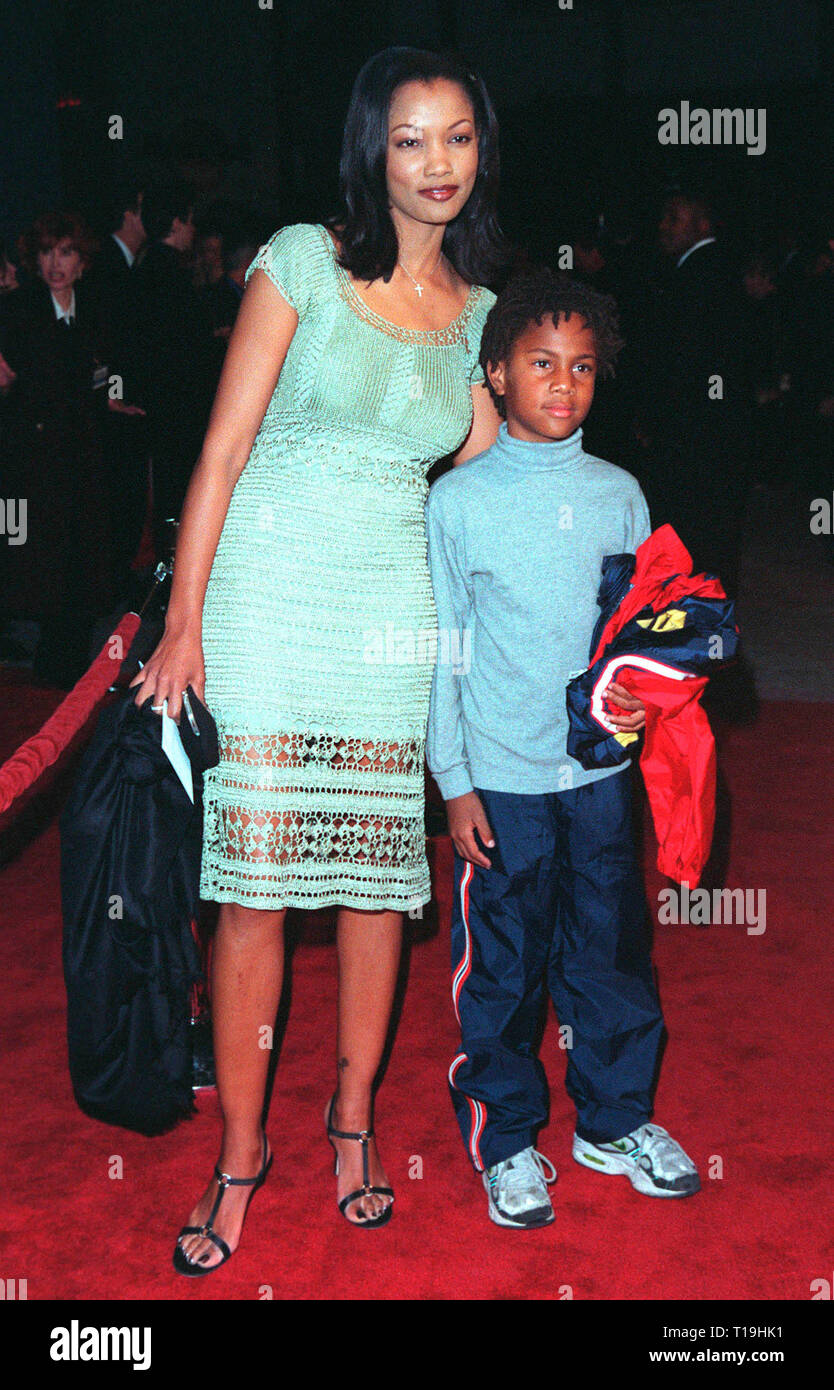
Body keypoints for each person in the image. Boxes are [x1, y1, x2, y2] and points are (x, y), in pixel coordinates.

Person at [129, 46, 509, 1273]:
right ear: (372, 151)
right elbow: (223, 449)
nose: (436, 162)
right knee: (254, 881)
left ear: (479, 153)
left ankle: (351, 1124)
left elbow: (497, 478)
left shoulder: (481, 317)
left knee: (378, 882)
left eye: (456, 137)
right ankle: (242, 1151)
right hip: (269, 597)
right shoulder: (299, 258)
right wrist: (183, 622)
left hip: (393, 617)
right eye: (411, 139)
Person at [425, 267, 700, 1230]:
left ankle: (614, 1120)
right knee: (502, 966)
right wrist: (453, 783)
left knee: (611, 954)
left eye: (582, 367)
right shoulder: (458, 504)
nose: (562, 384)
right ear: (496, 373)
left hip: (601, 776)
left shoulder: (621, 493)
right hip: (500, 780)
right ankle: (505, 1138)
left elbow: (634, 633)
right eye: (540, 363)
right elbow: (443, 647)